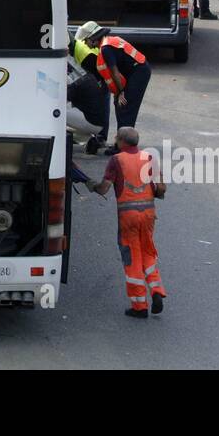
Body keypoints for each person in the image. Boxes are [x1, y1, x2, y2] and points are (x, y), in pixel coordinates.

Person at [89, 127, 167, 318]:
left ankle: (139, 306)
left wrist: (90, 185)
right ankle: (157, 290)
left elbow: (104, 189)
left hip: (128, 216)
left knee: (132, 257)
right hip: (148, 214)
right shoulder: (149, 158)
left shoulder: (117, 160)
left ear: (120, 141)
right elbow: (162, 189)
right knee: (148, 250)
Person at [74, 20, 150, 155]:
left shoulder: (106, 49)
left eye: (86, 41)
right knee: (120, 105)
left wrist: (121, 92)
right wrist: (118, 93)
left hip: (139, 73)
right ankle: (121, 144)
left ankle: (123, 147)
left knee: (125, 107)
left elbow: (114, 72)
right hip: (136, 71)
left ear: (92, 38)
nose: (86, 44)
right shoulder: (108, 43)